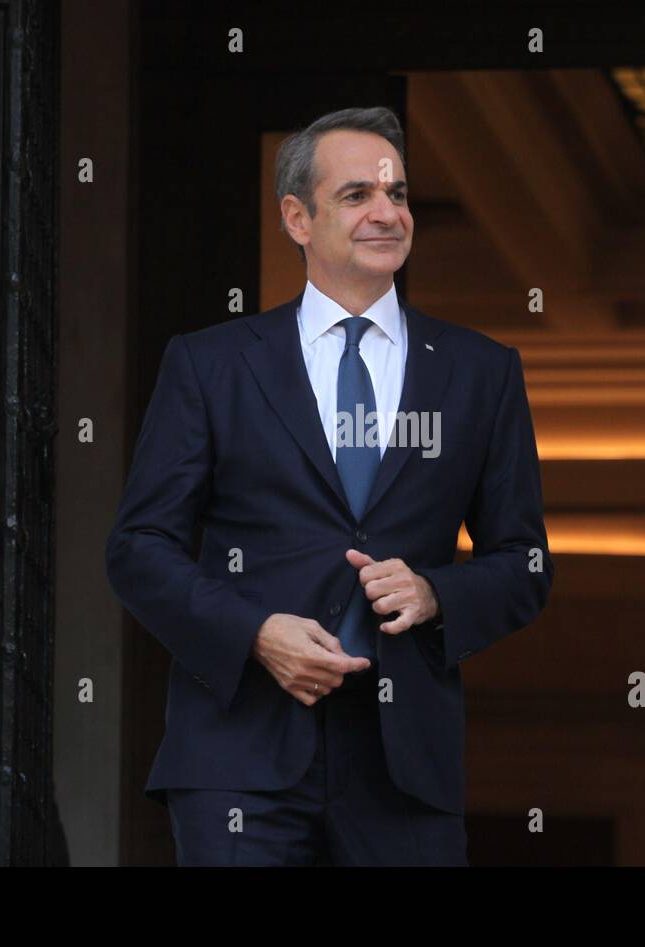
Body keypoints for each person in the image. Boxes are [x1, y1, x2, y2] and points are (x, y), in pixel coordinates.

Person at [105, 105, 553, 865]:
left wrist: (438, 593)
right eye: (357, 196)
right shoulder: (211, 363)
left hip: (404, 766)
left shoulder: (481, 372)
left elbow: (525, 562)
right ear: (296, 217)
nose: (387, 213)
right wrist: (254, 633)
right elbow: (139, 549)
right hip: (239, 756)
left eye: (399, 194)